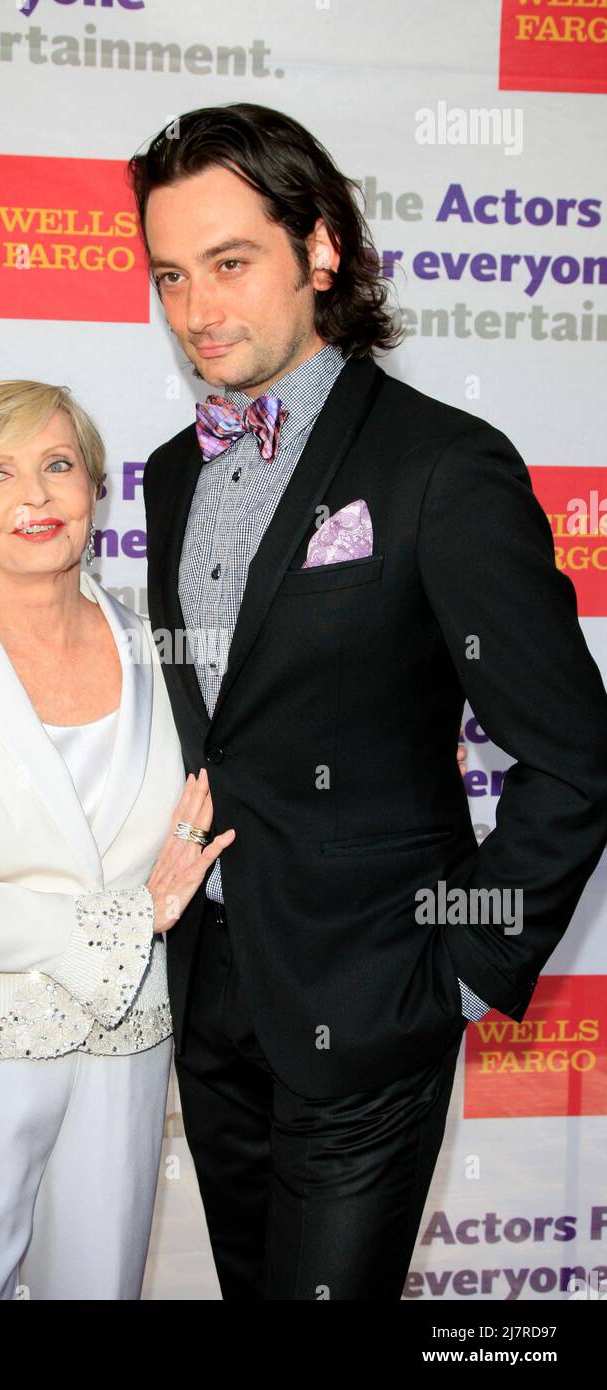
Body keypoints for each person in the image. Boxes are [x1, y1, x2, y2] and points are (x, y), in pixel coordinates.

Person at [127, 102, 607, 1300]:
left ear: (320, 249)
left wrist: (455, 964)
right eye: (171, 275)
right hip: (212, 985)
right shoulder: (172, 472)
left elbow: (574, 755)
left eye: (230, 264)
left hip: (373, 986)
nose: (196, 311)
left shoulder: (440, 465)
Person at [0, 379, 234, 1300]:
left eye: (58, 465)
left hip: (122, 1054)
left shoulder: (161, 653)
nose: (36, 496)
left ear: (96, 489)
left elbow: (196, 815)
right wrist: (131, 918)